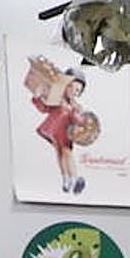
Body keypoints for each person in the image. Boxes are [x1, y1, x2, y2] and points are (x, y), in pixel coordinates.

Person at [31, 65, 87, 194]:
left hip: (66, 133)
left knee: (67, 153)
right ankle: (66, 178)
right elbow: (44, 108)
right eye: (71, 87)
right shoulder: (57, 99)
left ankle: (74, 178)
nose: (74, 92)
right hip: (54, 130)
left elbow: (79, 121)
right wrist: (37, 97)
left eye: (78, 91)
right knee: (60, 153)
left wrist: (76, 115)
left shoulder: (76, 107)